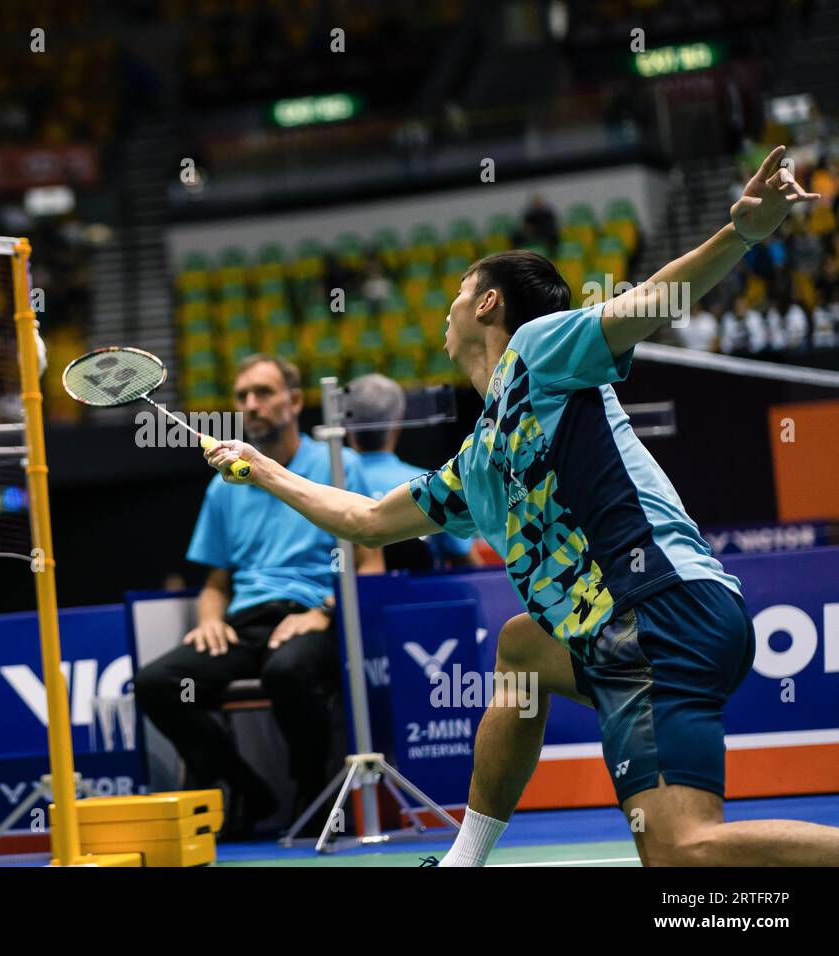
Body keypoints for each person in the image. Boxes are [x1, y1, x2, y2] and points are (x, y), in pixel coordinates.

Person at [205, 147, 839, 866]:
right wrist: (261, 468)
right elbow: (368, 520)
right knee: (521, 648)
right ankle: (463, 861)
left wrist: (743, 235)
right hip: (617, 634)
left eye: (458, 290)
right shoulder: (480, 458)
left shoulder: (540, 351)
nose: (446, 306)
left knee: (682, 853)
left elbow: (651, 302)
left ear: (487, 303)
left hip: (660, 610)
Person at [134, 354, 384, 840]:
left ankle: (315, 800)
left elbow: (370, 564)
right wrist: (210, 619)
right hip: (247, 623)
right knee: (158, 682)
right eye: (242, 396)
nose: (252, 404)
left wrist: (322, 613)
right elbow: (215, 585)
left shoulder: (337, 462)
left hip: (315, 618)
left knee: (287, 669)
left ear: (294, 401)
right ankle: (243, 787)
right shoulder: (223, 486)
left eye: (265, 393)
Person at [344, 373, 478, 569]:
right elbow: (468, 565)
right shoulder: (433, 485)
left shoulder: (330, 485)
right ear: (398, 420)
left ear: (345, 424)